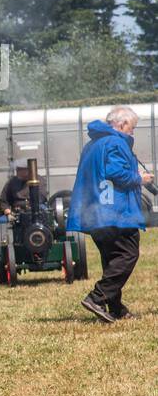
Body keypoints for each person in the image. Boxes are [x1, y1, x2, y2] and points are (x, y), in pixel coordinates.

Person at [67, 106, 154, 323]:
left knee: (112, 258)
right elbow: (117, 174)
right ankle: (97, 297)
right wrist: (139, 178)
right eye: (132, 129)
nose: (132, 133)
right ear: (122, 124)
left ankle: (114, 307)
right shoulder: (115, 142)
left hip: (96, 213)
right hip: (115, 212)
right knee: (128, 255)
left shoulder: (93, 144)